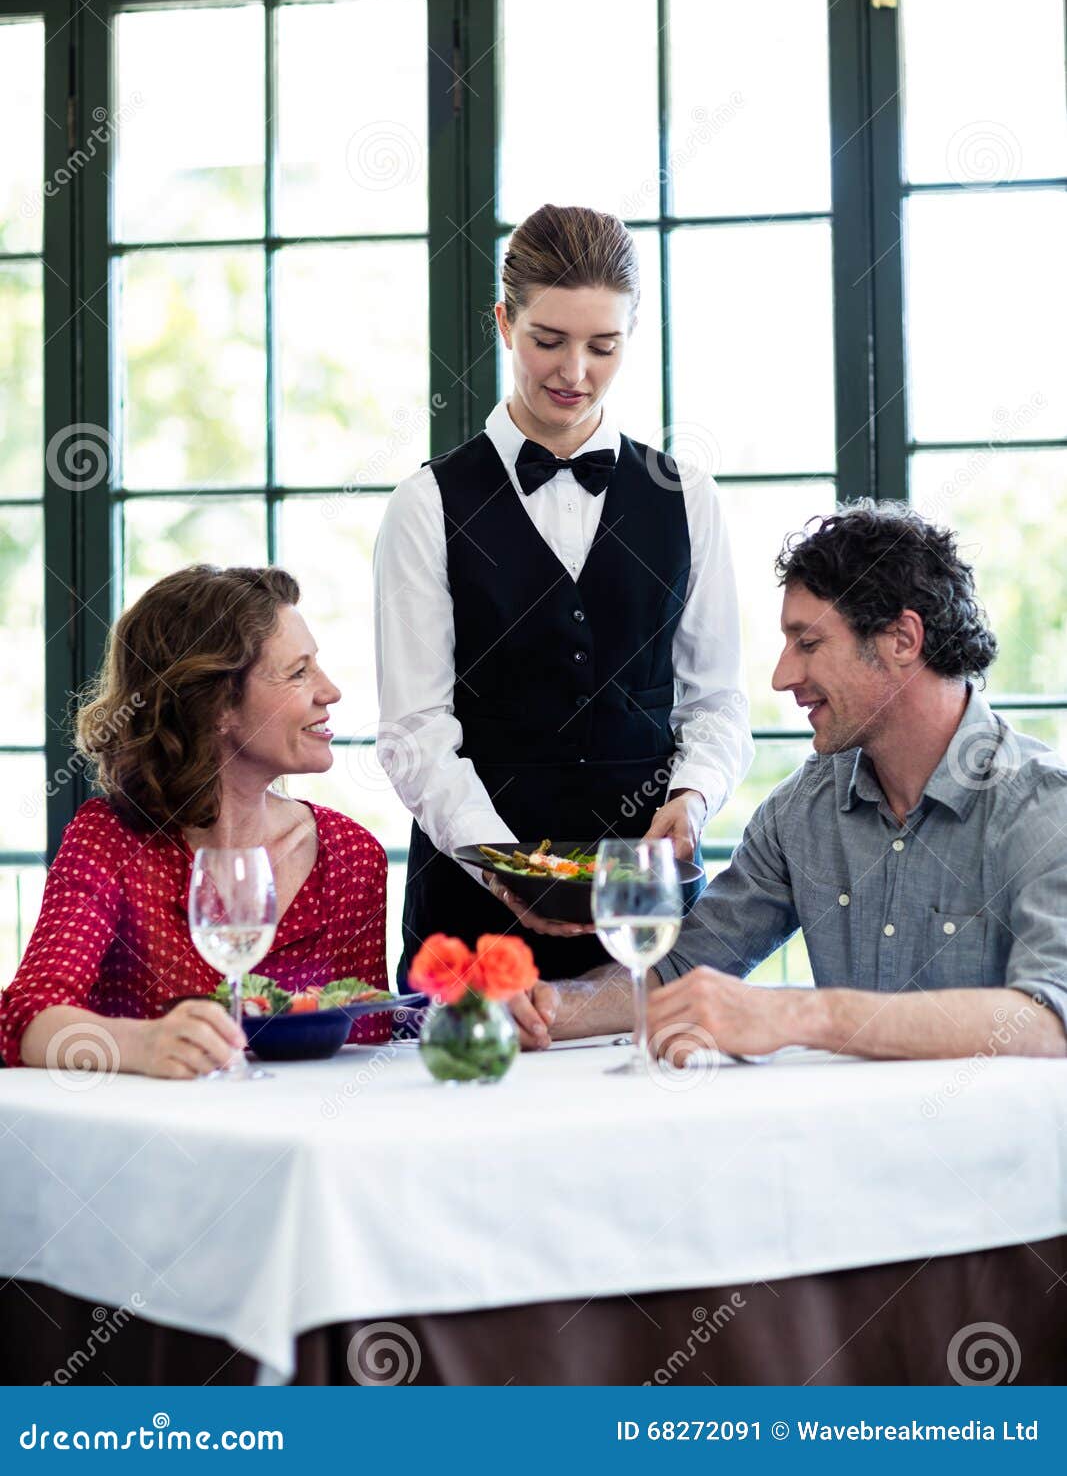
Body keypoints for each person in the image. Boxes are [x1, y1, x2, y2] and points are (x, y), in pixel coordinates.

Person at [508, 502, 1067, 1060]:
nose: (782, 677)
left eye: (809, 643)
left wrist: (799, 1013)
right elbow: (679, 967)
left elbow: (1051, 1021)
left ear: (902, 638)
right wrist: (557, 1004)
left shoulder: (1043, 807)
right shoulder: (803, 810)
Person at [374, 202, 752, 984]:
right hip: (471, 917)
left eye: (602, 346)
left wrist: (694, 794)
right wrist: (500, 860)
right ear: (504, 323)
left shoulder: (687, 496)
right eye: (548, 340)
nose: (573, 372)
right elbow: (414, 729)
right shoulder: (426, 504)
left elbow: (715, 701)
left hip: (645, 912)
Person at [0, 565, 388, 1078]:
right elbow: (23, 1017)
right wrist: (143, 1044)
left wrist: (480, 1014)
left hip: (301, 1144)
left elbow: (373, 1035)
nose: (331, 691)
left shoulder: (352, 855)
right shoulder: (111, 840)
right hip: (153, 1150)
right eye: (298, 672)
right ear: (217, 705)